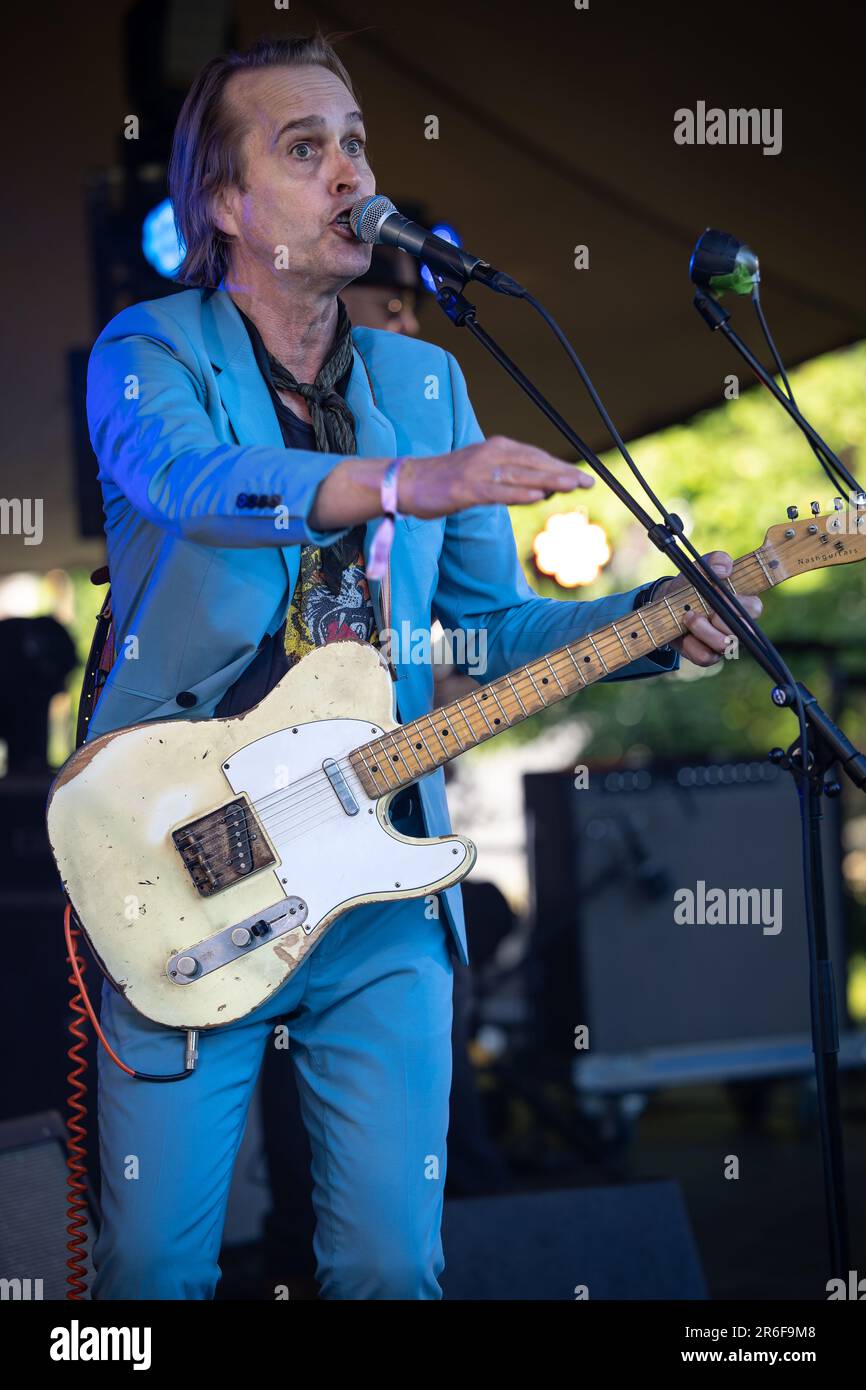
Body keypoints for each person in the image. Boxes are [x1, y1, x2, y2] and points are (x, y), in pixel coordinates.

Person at [84, 32, 761, 1300]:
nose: (349, 171)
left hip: (376, 869)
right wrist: (401, 482)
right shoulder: (148, 348)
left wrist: (655, 619)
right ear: (223, 205)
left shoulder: (426, 376)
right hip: (178, 858)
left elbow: (481, 631)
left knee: (395, 1265)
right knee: (149, 1269)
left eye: (354, 141)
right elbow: (194, 484)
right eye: (304, 149)